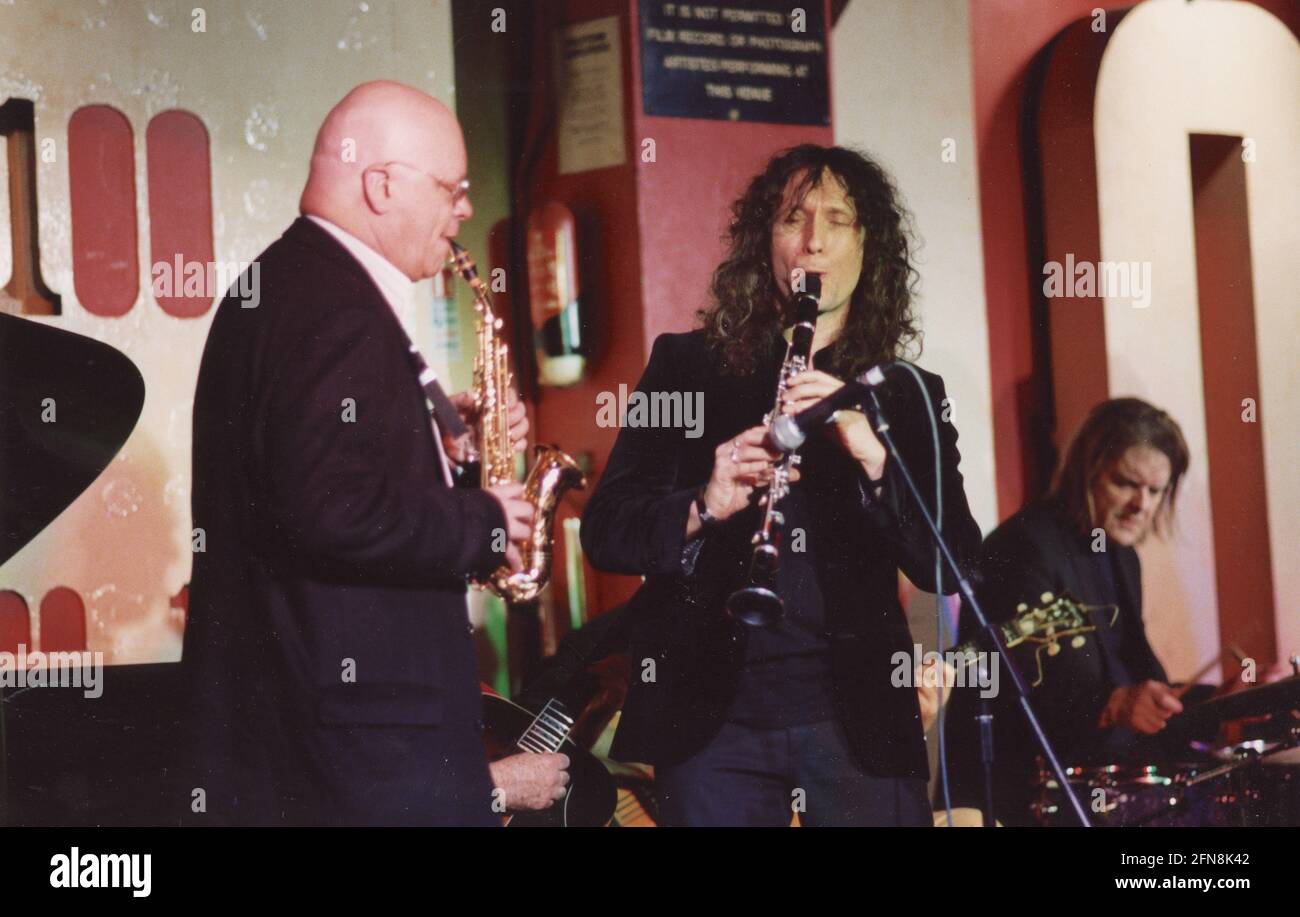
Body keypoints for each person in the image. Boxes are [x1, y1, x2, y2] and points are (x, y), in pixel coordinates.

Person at [184, 81, 565, 825]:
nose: (463, 209)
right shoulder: (339, 309)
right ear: (382, 185)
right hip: (358, 748)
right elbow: (328, 509)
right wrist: (485, 516)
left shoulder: (287, 283)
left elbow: (314, 473)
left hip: (308, 732)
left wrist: (448, 445)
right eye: (452, 188)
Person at [580, 145, 982, 826]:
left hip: (855, 726)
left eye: (836, 220)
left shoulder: (908, 395)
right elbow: (606, 528)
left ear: (867, 243)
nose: (813, 241)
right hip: (712, 731)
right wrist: (703, 505)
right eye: (793, 218)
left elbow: (953, 563)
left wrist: (875, 456)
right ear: (763, 239)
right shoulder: (686, 368)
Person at [946, 397, 1194, 825]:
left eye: (1155, 491)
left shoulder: (1121, 556)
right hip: (1026, 799)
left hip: (1097, 788)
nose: (1143, 505)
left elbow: (1136, 673)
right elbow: (1001, 688)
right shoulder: (1024, 545)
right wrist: (1110, 705)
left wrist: (1225, 702)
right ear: (1086, 470)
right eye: (1126, 483)